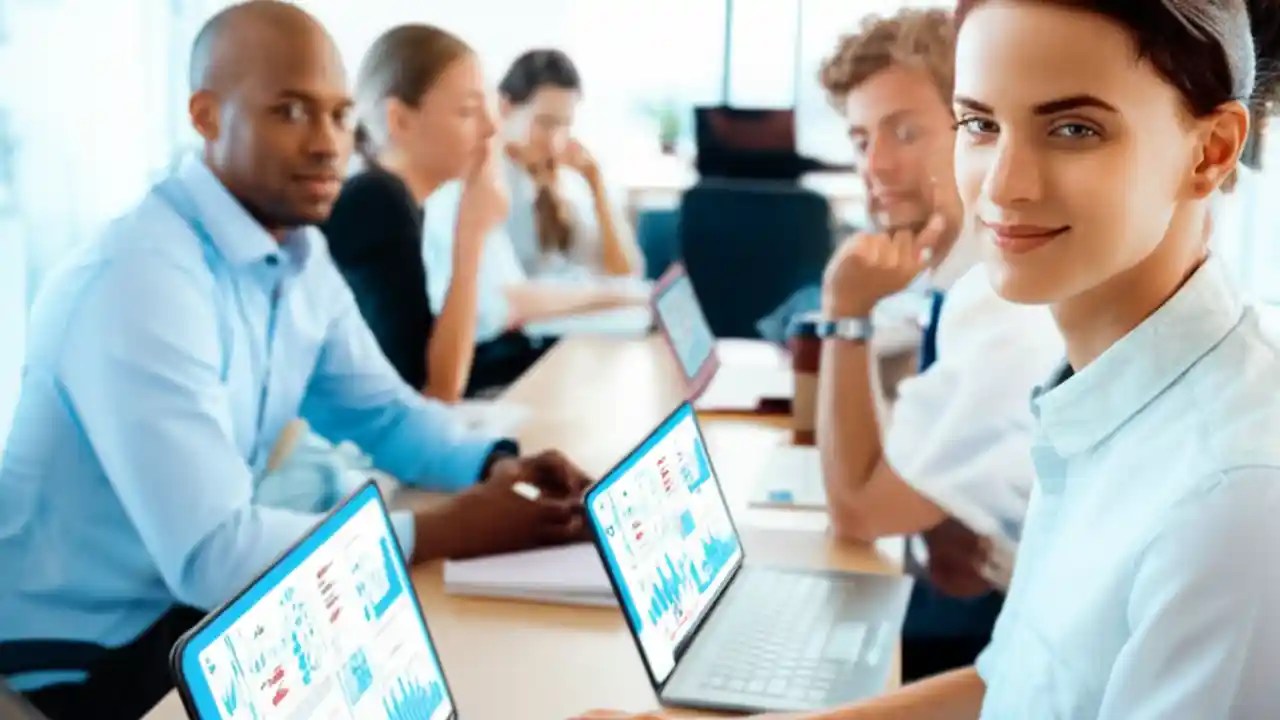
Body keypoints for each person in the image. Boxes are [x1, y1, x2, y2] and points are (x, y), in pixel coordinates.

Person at [576, 0, 1280, 717]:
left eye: (1075, 129)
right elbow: (1004, 687)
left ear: (1211, 151)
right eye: (980, 124)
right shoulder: (1095, 393)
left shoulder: (1231, 498)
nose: (1002, 187)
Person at [0, 4, 591, 718]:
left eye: (341, 116)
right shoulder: (142, 277)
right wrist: (446, 529)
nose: (327, 143)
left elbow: (387, 414)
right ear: (207, 116)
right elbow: (215, 553)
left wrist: (496, 465)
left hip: (188, 621)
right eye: (291, 112)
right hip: (81, 654)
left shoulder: (294, 254)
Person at [815, 8, 1063, 681]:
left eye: (905, 131)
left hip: (1002, 648)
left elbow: (858, 510)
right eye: (861, 137)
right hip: (981, 610)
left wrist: (846, 313)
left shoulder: (1003, 305)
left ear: (978, 128)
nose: (875, 164)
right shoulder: (956, 278)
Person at [324, 24, 503, 402]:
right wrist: (470, 234)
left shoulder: (392, 198)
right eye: (469, 111)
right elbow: (435, 392)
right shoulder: (377, 201)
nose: (490, 129)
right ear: (400, 120)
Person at [497, 49, 643, 279]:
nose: (555, 142)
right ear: (505, 108)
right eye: (545, 123)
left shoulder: (567, 181)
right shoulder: (490, 180)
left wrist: (596, 186)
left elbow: (623, 269)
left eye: (565, 124)